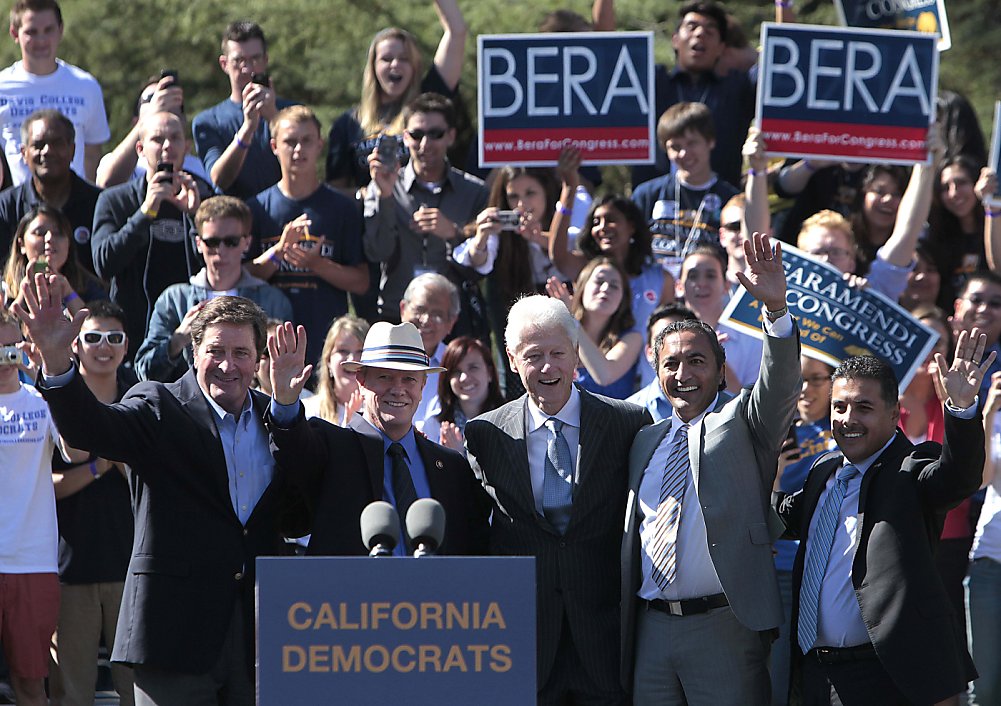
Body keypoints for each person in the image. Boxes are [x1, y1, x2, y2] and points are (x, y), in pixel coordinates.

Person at [18, 290, 296, 706]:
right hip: (173, 636)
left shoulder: (279, 417)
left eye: (241, 352)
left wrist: (289, 407)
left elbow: (305, 492)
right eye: (215, 350)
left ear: (258, 360)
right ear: (194, 352)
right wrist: (58, 363)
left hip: (256, 636)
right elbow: (90, 428)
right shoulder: (158, 404)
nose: (227, 365)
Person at [621, 232, 799, 704]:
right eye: (671, 364)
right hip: (651, 628)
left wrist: (777, 313)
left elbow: (779, 387)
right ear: (657, 375)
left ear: (721, 371)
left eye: (697, 361)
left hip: (724, 625)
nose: (684, 374)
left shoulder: (742, 422)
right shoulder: (643, 441)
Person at [775, 337, 990, 705]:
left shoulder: (910, 469)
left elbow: (958, 477)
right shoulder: (823, 472)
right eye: (839, 406)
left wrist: (962, 408)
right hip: (817, 674)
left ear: (894, 415)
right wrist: (770, 476)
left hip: (887, 676)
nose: (848, 419)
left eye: (863, 407)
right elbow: (778, 519)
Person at [464, 294, 652, 704]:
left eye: (557, 353)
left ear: (576, 355)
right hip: (525, 642)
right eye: (533, 356)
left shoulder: (627, 423)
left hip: (605, 641)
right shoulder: (484, 434)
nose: (547, 367)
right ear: (512, 360)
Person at [266, 320, 491, 557]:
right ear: (360, 380)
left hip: (433, 593)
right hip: (348, 593)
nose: (398, 389)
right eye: (384, 377)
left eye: (409, 379)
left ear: (423, 384)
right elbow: (294, 453)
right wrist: (285, 403)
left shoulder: (450, 466)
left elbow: (472, 546)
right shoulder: (331, 446)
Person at [48, 301, 136, 706]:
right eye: (93, 337)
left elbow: (153, 476)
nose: (104, 346)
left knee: (138, 692)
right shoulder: (54, 400)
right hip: (71, 571)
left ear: (126, 346)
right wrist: (103, 464)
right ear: (76, 346)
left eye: (113, 338)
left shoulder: (141, 401)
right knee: (72, 695)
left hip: (132, 570)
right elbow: (46, 487)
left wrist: (108, 455)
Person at [245, 105, 368, 367]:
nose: (298, 149)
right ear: (274, 146)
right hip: (268, 350)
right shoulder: (256, 208)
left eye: (306, 140)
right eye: (290, 141)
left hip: (325, 347)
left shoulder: (342, 208)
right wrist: (279, 251)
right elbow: (244, 278)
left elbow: (361, 282)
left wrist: (316, 264)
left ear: (320, 145)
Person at [0, 308, 79, 706]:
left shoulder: (40, 400)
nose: (4, 356)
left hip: (32, 561)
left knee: (31, 685)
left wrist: (48, 377)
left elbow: (77, 451)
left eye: (10, 347)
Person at [91, 111, 212, 363]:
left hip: (189, 339)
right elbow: (103, 263)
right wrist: (145, 212)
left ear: (186, 147)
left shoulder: (203, 199)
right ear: (140, 149)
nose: (167, 146)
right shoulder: (115, 200)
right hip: (131, 339)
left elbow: (221, 263)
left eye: (175, 138)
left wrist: (194, 216)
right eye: (158, 139)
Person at [134, 196, 292, 382]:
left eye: (231, 242)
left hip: (252, 406)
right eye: (213, 242)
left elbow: (286, 369)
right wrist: (178, 340)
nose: (221, 251)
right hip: (186, 406)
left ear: (246, 243)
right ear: (199, 243)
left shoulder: (271, 300)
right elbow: (144, 371)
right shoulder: (175, 299)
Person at [364, 92, 488, 328]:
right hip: (398, 314)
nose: (425, 144)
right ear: (405, 137)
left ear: (451, 136)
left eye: (435, 134)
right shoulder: (382, 184)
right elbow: (377, 252)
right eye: (417, 135)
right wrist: (386, 197)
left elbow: (481, 268)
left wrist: (453, 233)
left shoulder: (475, 192)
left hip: (453, 318)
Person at [326, 0, 467, 191]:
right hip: (372, 217)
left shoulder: (429, 101)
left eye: (404, 59)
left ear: (414, 67)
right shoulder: (348, 124)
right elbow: (336, 191)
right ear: (373, 66)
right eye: (386, 59)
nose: (395, 65)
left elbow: (457, 32)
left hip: (422, 215)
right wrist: (367, 195)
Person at [549, 188, 673, 388]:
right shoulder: (585, 267)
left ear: (631, 226)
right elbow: (559, 256)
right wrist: (568, 192)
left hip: (640, 375)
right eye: (596, 222)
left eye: (611, 219)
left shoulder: (659, 278)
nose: (603, 227)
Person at [769, 354, 837, 706]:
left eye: (816, 379)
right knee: (776, 674)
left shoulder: (849, 427)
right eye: (799, 380)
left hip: (831, 573)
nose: (806, 390)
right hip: (783, 569)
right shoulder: (775, 427)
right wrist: (774, 469)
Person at [630, 0, 755, 189]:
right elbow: (608, 55)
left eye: (710, 30)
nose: (700, 33)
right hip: (651, 208)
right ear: (675, 39)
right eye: (692, 26)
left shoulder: (737, 88)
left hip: (720, 207)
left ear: (722, 47)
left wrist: (784, 6)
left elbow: (777, 69)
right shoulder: (651, 82)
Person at [0, 0, 109, 184]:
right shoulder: (3, 87)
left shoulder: (85, 86)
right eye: (31, 32)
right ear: (14, 33)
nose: (41, 40)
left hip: (72, 207)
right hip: (17, 209)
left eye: (48, 30)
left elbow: (92, 152)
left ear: (60, 30)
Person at [632, 102, 740, 281]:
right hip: (654, 295)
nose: (684, 154)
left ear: (710, 141)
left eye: (692, 143)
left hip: (707, 296)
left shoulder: (730, 199)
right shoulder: (646, 195)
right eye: (675, 146)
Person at [192, 20, 296, 199]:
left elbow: (304, 168)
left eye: (255, 59)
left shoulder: (292, 113)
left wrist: (274, 117)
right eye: (239, 60)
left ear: (266, 60)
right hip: (235, 219)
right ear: (224, 64)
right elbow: (218, 180)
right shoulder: (209, 121)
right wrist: (247, 129)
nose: (247, 68)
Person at [0, 109, 102, 274]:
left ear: (73, 150)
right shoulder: (5, 207)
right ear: (24, 153)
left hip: (86, 298)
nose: (47, 151)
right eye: (38, 145)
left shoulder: (100, 203)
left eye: (57, 143)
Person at [546, 257, 643, 400]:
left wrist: (571, 320)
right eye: (599, 282)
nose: (605, 289)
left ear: (623, 298)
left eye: (614, 286)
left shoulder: (632, 338)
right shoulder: (559, 333)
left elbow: (604, 375)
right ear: (582, 288)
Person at [96, 74, 211, 189]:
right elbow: (107, 184)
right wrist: (149, 116)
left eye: (172, 98)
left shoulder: (199, 169)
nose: (162, 102)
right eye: (151, 98)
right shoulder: (117, 162)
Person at [2, 204, 104, 311]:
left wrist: (68, 293)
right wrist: (24, 294)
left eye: (58, 233)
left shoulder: (89, 286)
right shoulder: (4, 289)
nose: (49, 238)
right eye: (39, 233)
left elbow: (97, 325)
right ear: (21, 244)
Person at [969, 370, 1001, 706]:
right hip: (990, 565)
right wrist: (989, 411)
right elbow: (978, 481)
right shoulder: (996, 418)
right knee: (986, 687)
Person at [399, 272, 459, 437]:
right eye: (420, 309)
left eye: (437, 314)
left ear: (451, 322)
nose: (426, 320)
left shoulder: (459, 365)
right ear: (403, 309)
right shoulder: (380, 359)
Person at [626, 303, 697, 422]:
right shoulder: (629, 412)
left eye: (680, 337)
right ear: (649, 353)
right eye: (661, 339)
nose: (673, 346)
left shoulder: (727, 408)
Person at [434, 335, 504, 453]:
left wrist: (459, 456)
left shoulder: (511, 421)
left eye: (473, 368)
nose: (464, 378)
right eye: (457, 371)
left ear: (490, 373)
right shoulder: (435, 423)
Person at [301, 314, 368, 425]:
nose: (352, 359)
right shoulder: (307, 411)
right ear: (328, 360)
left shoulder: (382, 412)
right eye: (343, 351)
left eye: (360, 351)